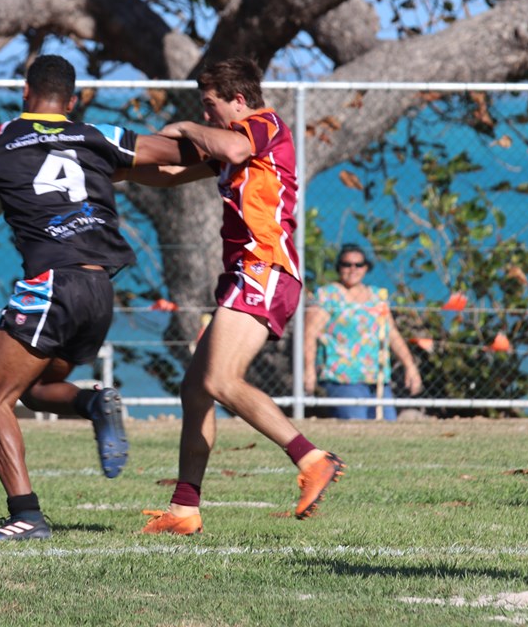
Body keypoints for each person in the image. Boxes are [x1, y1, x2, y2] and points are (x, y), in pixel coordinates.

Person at [0, 54, 187, 540]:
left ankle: (26, 516)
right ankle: (94, 404)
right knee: (34, 389)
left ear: (25, 91)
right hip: (101, 289)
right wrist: (222, 155)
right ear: (74, 98)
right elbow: (170, 155)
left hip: (52, 285)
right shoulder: (96, 135)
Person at [125, 57, 344, 536]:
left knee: (222, 380)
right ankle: (184, 509)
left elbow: (231, 147)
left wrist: (183, 123)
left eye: (209, 106)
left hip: (265, 267)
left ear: (238, 101)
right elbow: (169, 174)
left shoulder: (262, 124)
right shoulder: (229, 144)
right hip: (248, 272)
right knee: (196, 389)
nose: (205, 116)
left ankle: (311, 458)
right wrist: (113, 171)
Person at [303, 244, 423, 420]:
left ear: (366, 267)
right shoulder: (328, 296)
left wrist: (409, 366)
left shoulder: (376, 297)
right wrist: (309, 371)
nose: (353, 269)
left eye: (358, 265)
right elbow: (309, 335)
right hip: (342, 379)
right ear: (339, 267)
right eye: (347, 264)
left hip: (378, 379)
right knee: (356, 425)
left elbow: (392, 334)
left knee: (388, 427)